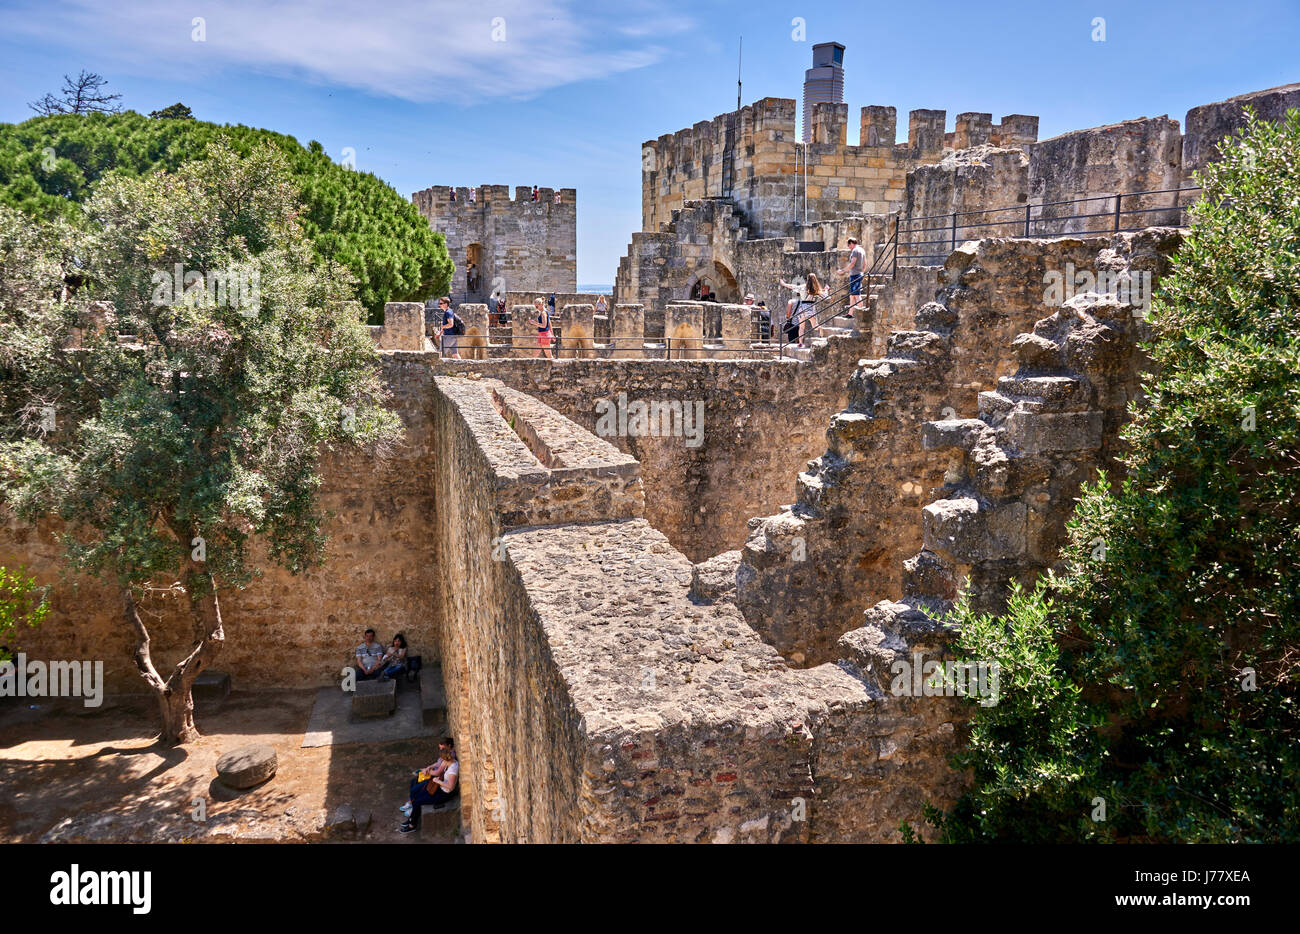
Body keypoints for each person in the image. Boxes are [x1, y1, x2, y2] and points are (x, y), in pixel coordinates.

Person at [399, 740, 459, 834]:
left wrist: (438, 781)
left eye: (443, 760)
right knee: (417, 795)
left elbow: (450, 787)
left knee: (418, 801)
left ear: (446, 759)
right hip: (438, 787)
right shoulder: (449, 761)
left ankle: (412, 825)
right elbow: (440, 767)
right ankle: (411, 819)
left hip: (443, 794)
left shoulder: (453, 770)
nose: (442, 763)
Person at [835, 236, 868, 320]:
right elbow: (865, 263)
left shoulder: (855, 251)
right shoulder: (862, 250)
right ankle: (850, 313)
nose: (849, 247)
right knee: (852, 295)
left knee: (856, 295)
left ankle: (862, 313)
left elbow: (852, 263)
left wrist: (843, 270)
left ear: (851, 243)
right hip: (859, 274)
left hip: (855, 275)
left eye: (849, 245)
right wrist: (862, 272)